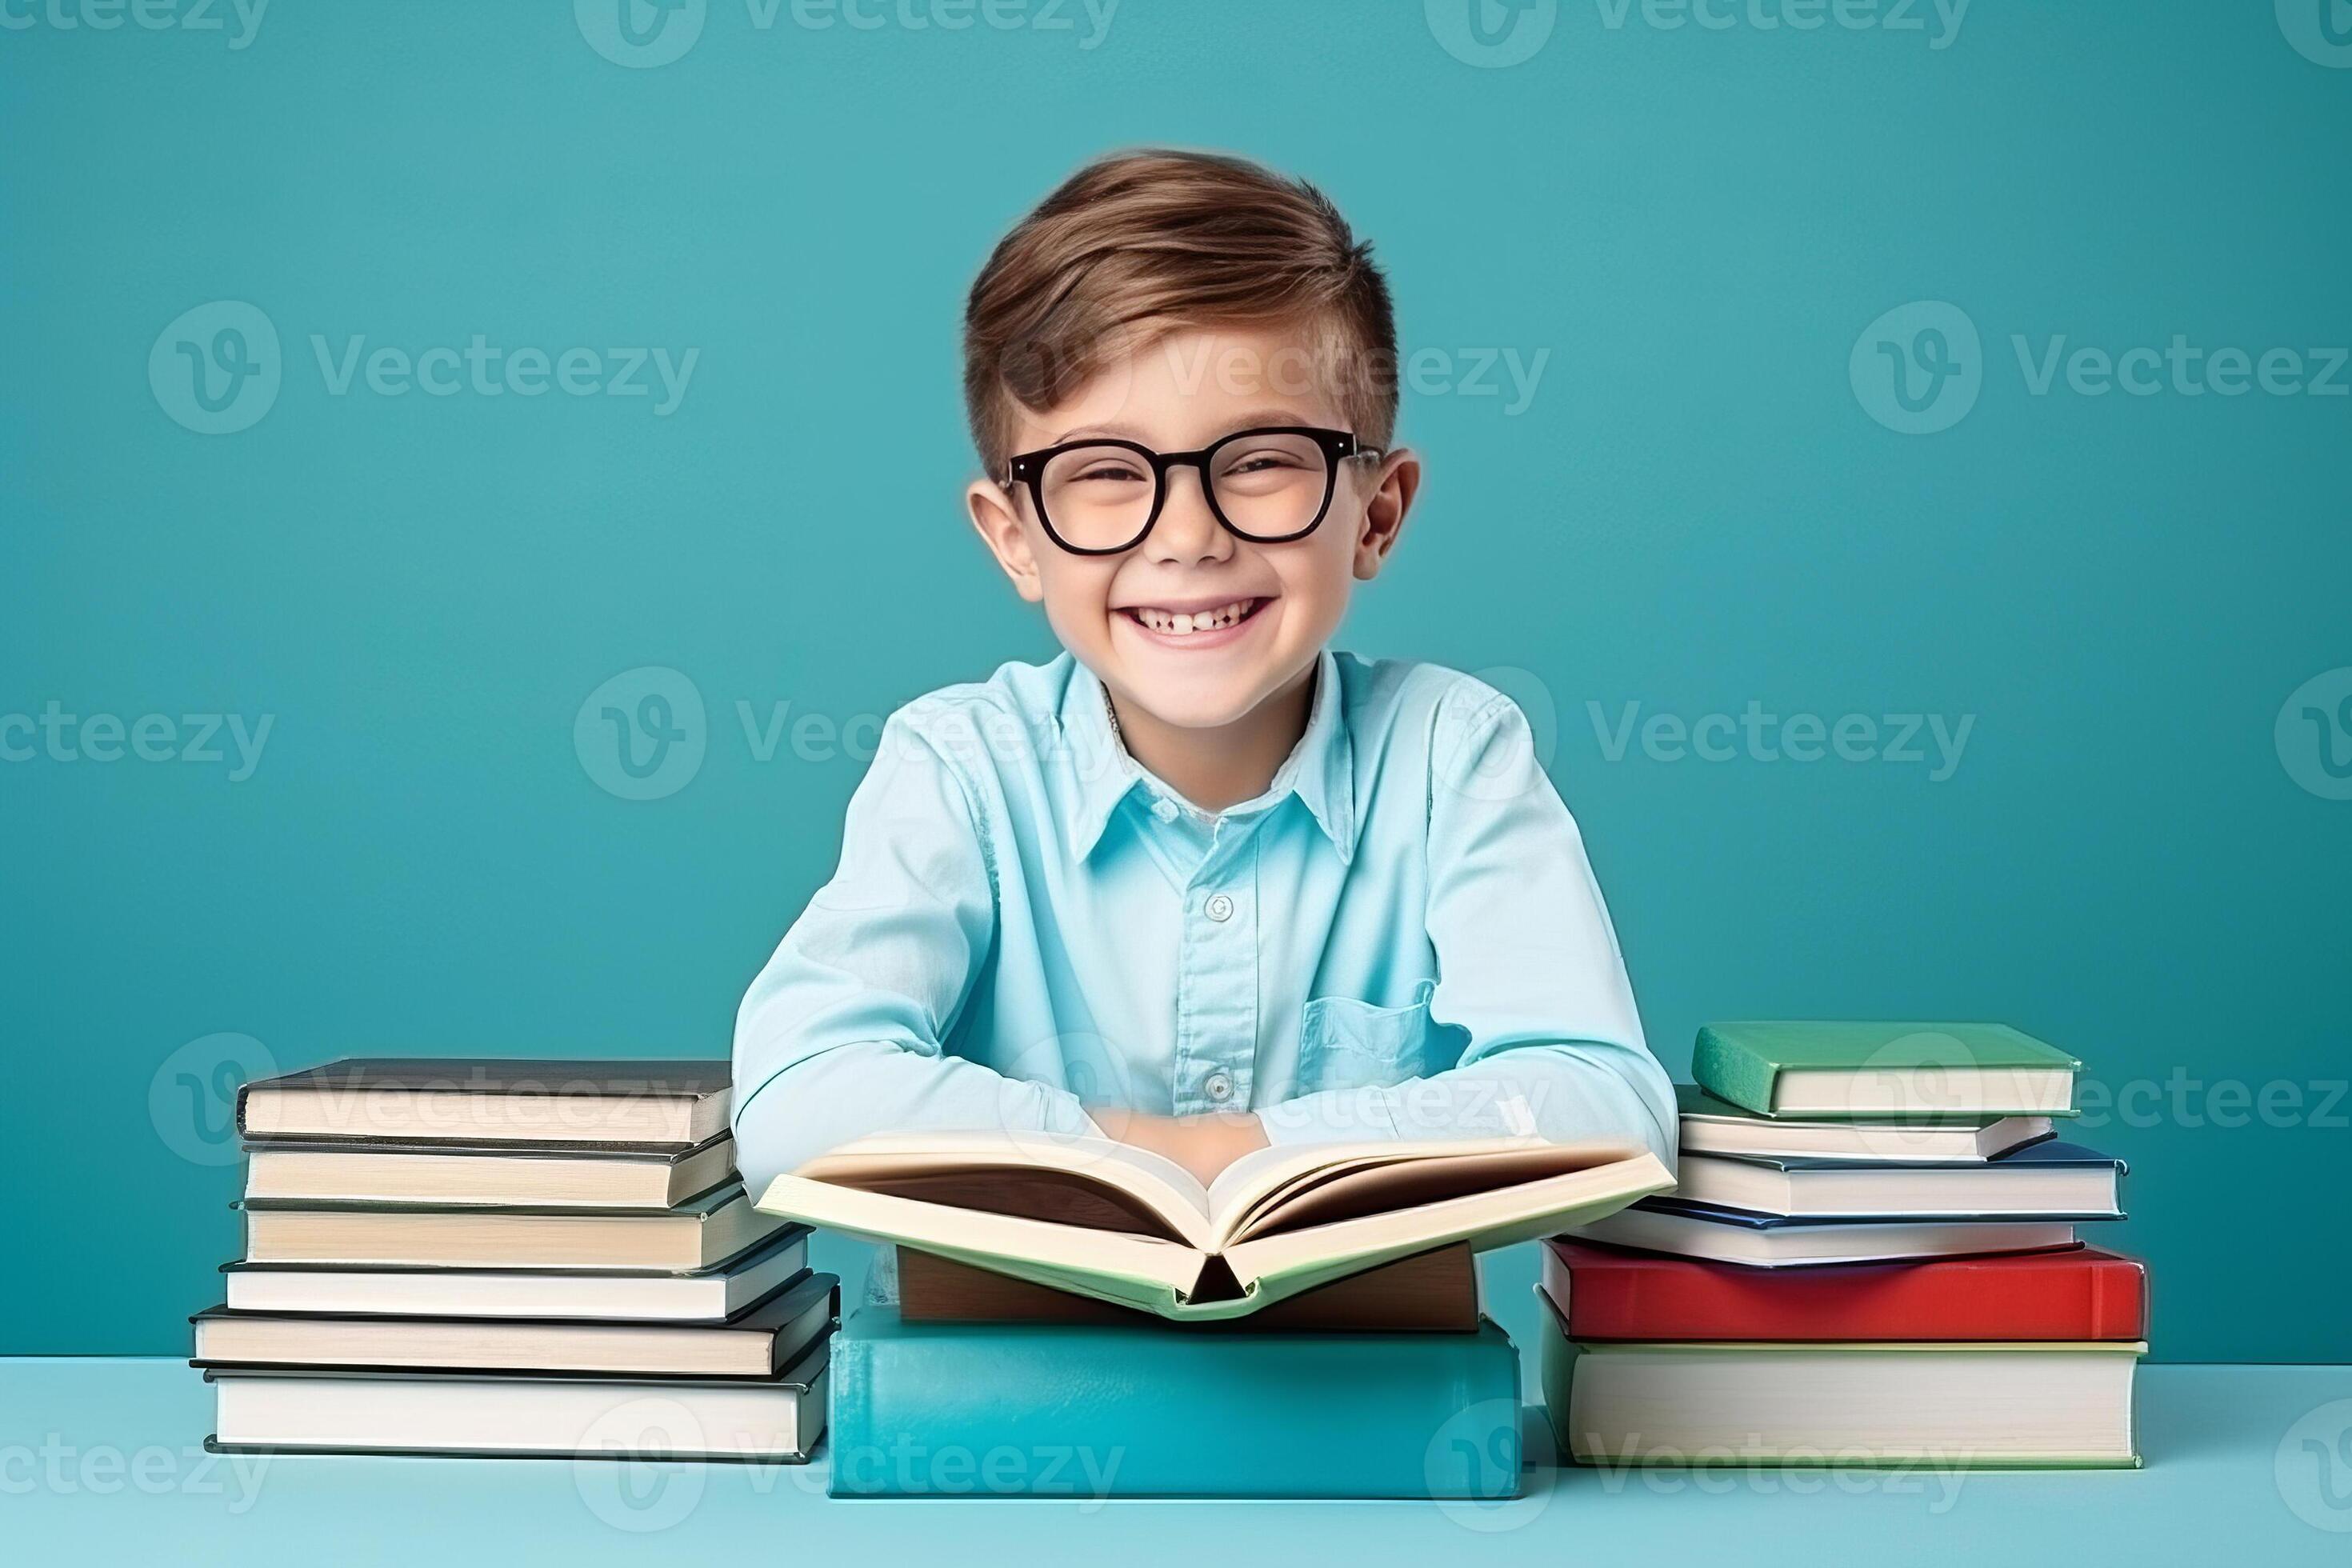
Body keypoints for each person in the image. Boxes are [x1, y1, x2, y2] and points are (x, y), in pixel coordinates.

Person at [731, 148, 1674, 1199]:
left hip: (1368, 1369)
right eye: (1102, 473)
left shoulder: (1452, 754)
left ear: (1378, 512)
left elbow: (1602, 1105)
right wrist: (1154, 1150)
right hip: (1006, 1367)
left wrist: (1241, 1151)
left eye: (1263, 460)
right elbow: (796, 1096)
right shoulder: (963, 765)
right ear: (1015, 541)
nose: (1186, 537)